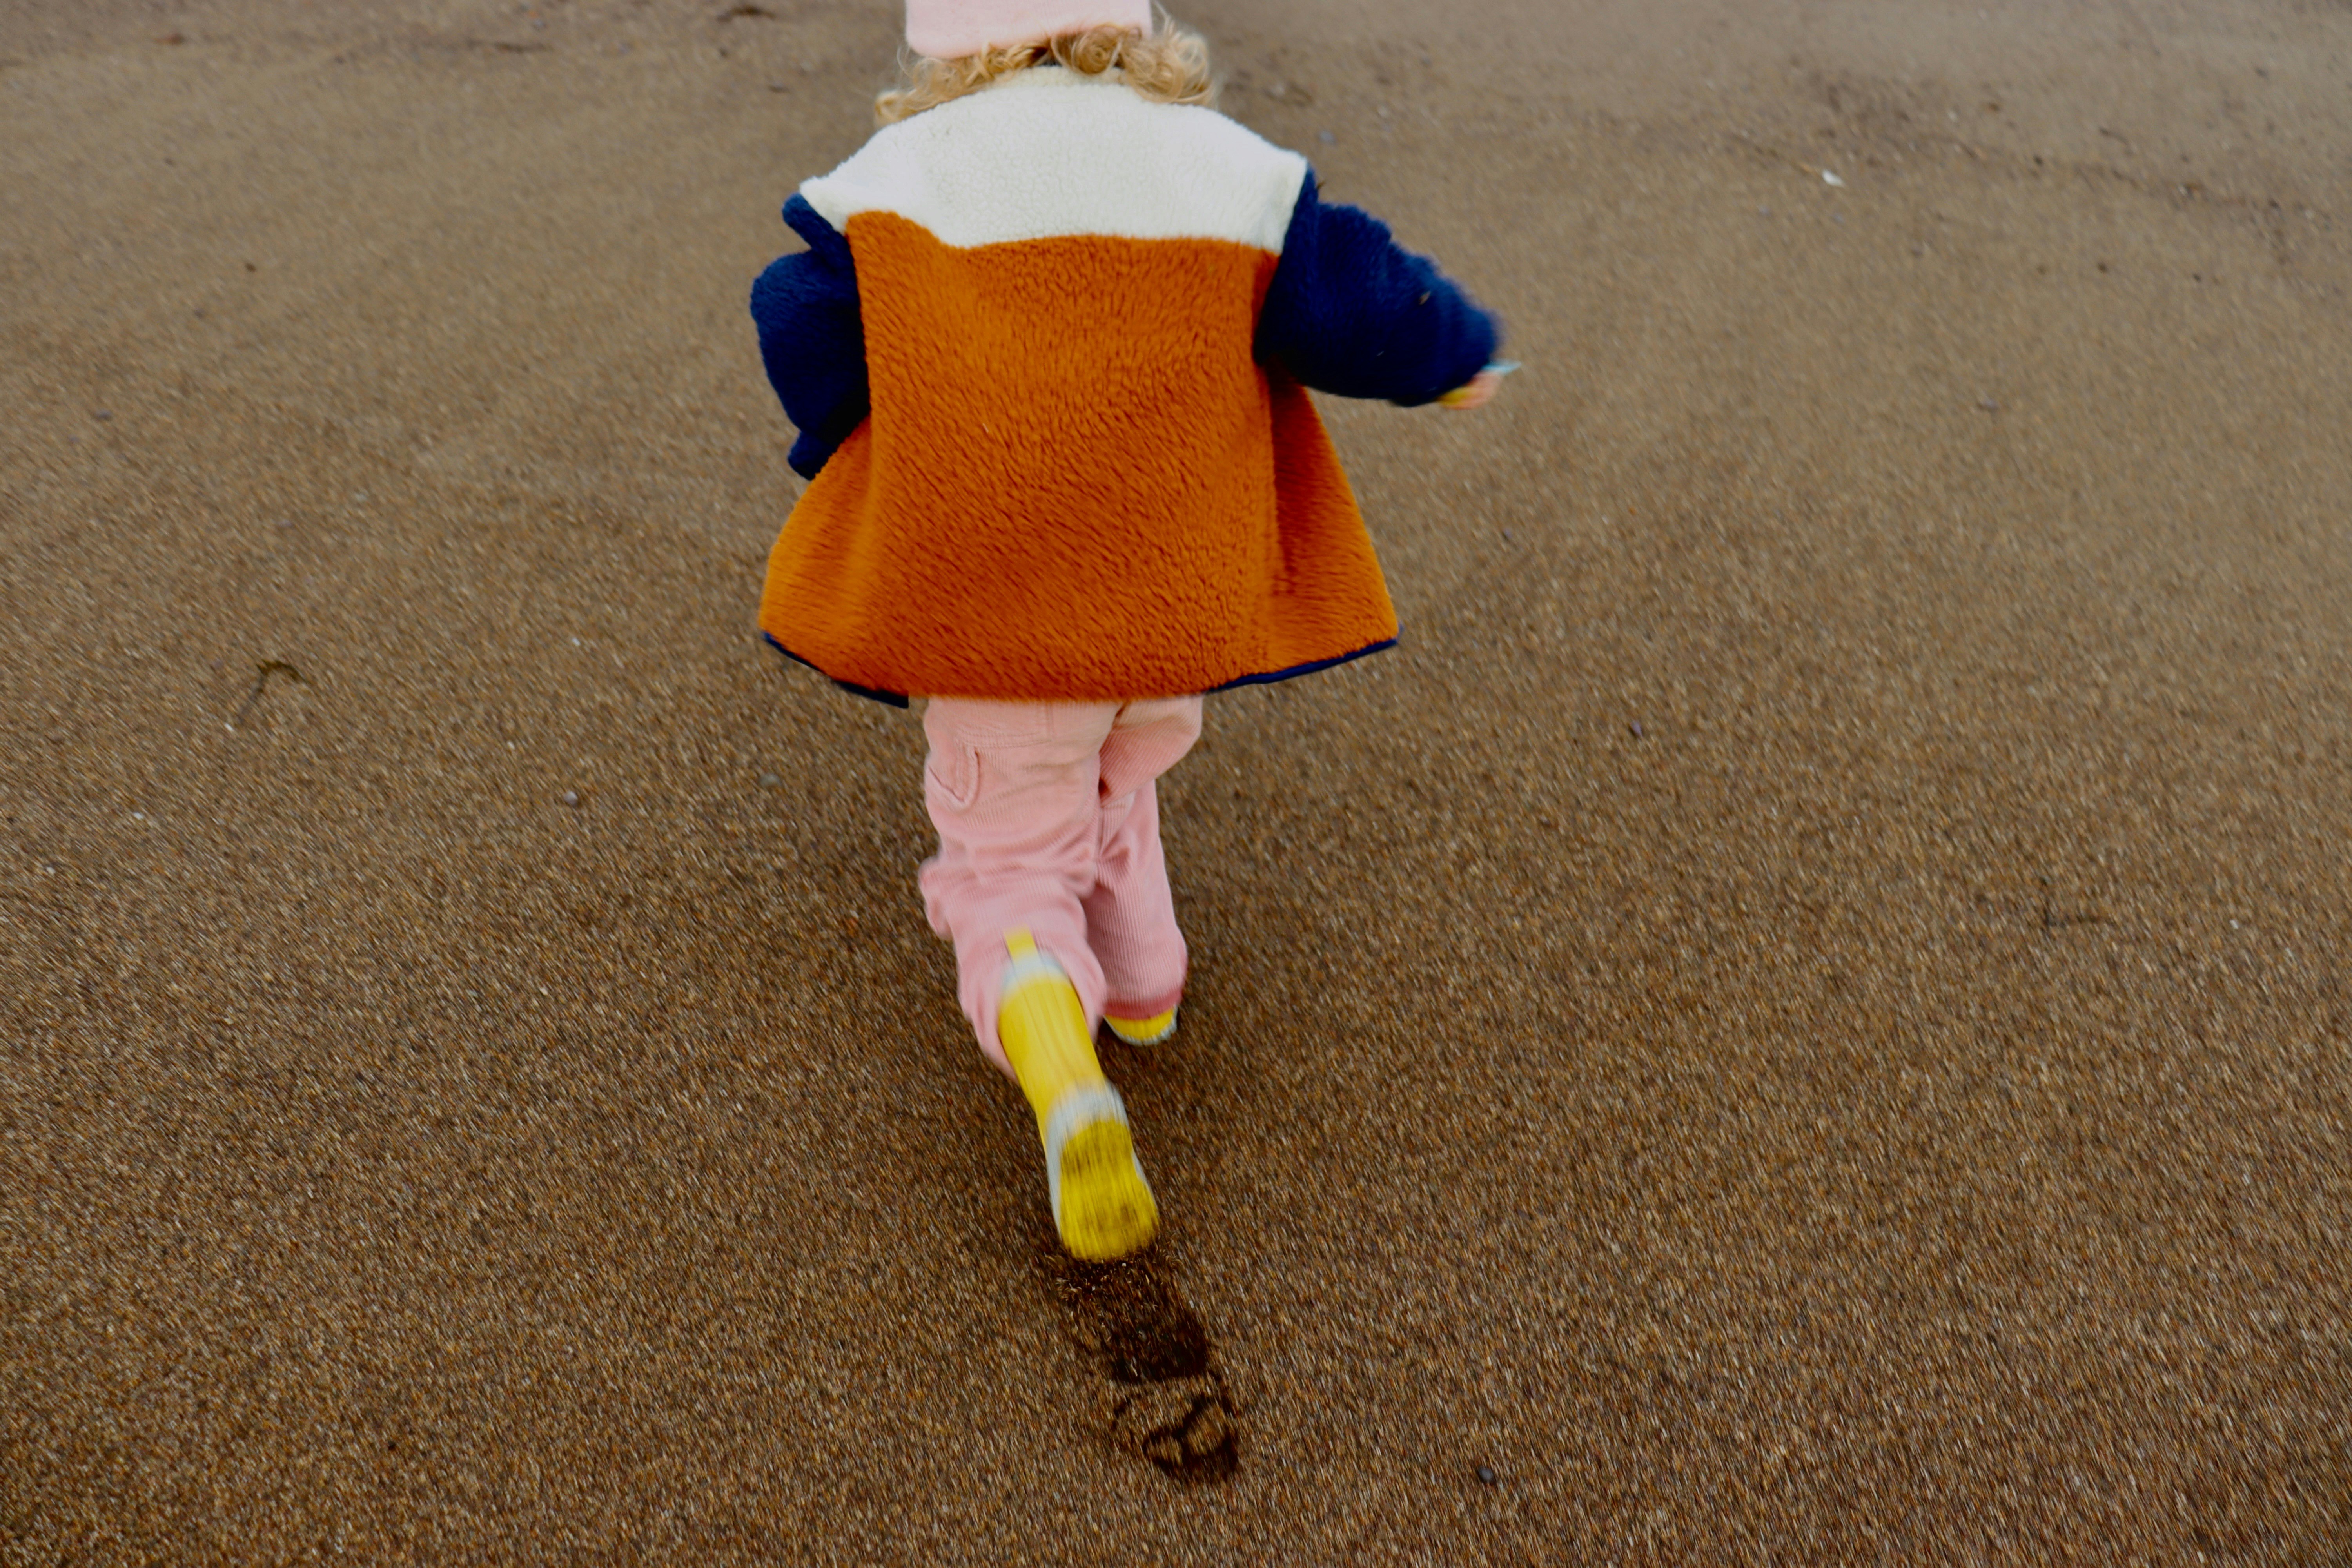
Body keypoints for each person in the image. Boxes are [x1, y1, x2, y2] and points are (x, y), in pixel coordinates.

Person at [750, 0, 1505, 1262]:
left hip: (991, 615)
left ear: (944, 47)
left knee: (1009, 854)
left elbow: (800, 318)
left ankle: (1051, 1018)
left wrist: (843, 431)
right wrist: (1462, 352)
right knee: (1124, 780)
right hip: (1165, 608)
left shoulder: (893, 183)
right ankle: (1148, 990)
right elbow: (1364, 300)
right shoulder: (1226, 171)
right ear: (1133, 27)